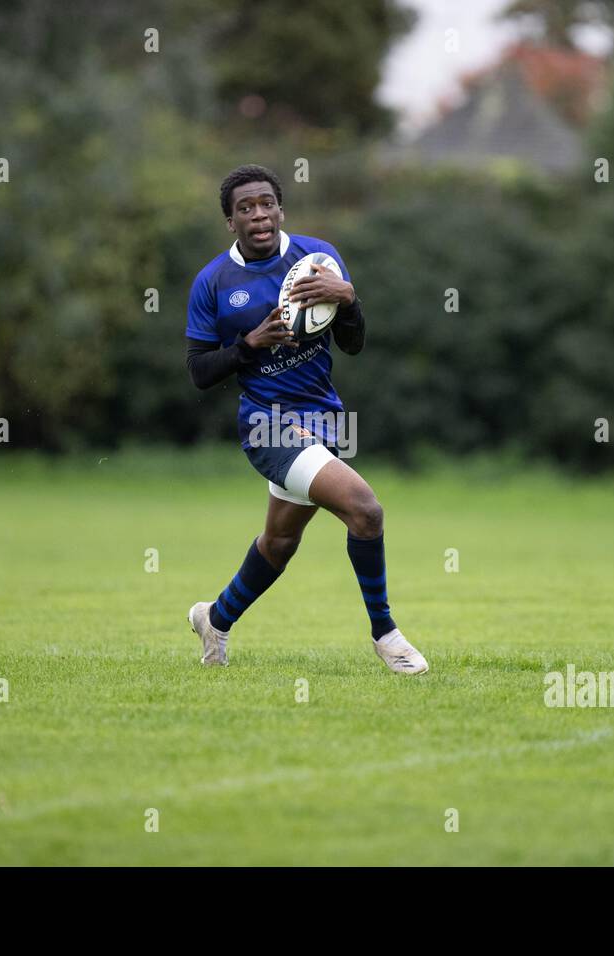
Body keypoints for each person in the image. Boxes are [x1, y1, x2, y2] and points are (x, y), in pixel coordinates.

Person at [184, 163, 427, 674]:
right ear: (230, 221)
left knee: (279, 543)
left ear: (281, 209)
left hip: (325, 421)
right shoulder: (213, 282)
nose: (258, 215)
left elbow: (353, 344)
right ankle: (387, 635)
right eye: (244, 208)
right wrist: (249, 346)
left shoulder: (318, 259)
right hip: (266, 426)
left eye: (266, 203)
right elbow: (200, 372)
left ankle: (215, 618)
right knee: (366, 510)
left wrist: (350, 298)